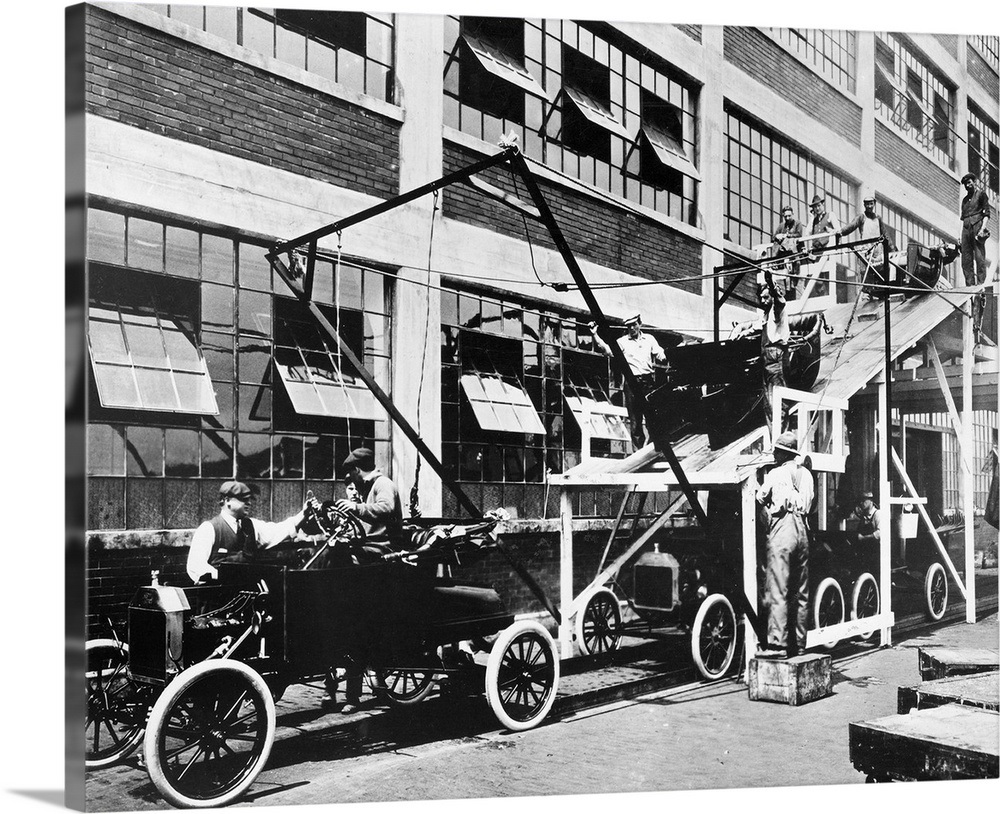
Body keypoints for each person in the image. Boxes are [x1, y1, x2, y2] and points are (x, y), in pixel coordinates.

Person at [755, 431, 814, 658]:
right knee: (801, 592)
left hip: (783, 529)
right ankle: (799, 645)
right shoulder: (807, 475)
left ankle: (777, 645)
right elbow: (811, 502)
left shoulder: (775, 473)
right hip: (803, 529)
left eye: (776, 452)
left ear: (782, 453)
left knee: (778, 588)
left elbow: (759, 498)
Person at [186, 481, 307, 584]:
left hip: (246, 597)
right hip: (218, 599)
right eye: (243, 499)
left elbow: (277, 531)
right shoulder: (209, 529)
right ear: (227, 500)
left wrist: (303, 515)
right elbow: (195, 565)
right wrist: (223, 575)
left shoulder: (251, 525)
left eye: (249, 499)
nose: (249, 503)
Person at [589, 313, 666, 451]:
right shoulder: (622, 342)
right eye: (629, 326)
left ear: (640, 323)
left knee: (652, 417)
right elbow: (608, 351)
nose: (632, 328)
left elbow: (659, 352)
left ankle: (655, 449)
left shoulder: (649, 339)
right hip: (632, 382)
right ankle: (638, 452)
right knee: (635, 420)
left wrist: (664, 356)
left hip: (648, 382)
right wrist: (595, 335)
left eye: (634, 324)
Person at [336, 446, 404, 558]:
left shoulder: (383, 483)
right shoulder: (368, 488)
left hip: (384, 547)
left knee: (343, 558)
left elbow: (386, 508)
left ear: (357, 470)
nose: (350, 478)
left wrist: (356, 507)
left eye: (350, 472)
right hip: (370, 544)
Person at [837, 193, 895, 291]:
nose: (869, 206)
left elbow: (885, 234)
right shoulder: (861, 217)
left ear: (874, 204)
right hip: (866, 250)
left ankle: (880, 290)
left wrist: (892, 248)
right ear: (864, 205)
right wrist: (842, 232)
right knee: (866, 272)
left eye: (871, 204)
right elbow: (852, 225)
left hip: (877, 250)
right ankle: (867, 292)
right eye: (867, 204)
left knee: (880, 270)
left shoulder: (878, 218)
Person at [758, 270, 789, 433]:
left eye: (766, 297)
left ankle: (781, 442)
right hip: (767, 360)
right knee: (769, 405)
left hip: (775, 358)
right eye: (761, 298)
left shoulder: (777, 311)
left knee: (778, 402)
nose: (763, 301)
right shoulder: (766, 315)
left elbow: (779, 301)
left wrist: (770, 282)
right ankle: (774, 444)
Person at [959, 171, 991, 288]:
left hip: (977, 227)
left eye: (969, 182)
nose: (968, 186)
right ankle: (970, 286)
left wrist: (982, 229)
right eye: (965, 184)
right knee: (966, 260)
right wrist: (959, 235)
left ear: (974, 182)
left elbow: (987, 213)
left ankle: (981, 285)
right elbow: (962, 219)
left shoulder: (981, 195)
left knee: (979, 258)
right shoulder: (964, 200)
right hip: (966, 229)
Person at [772, 204, 805, 298]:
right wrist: (778, 236)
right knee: (785, 276)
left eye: (789, 216)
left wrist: (787, 236)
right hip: (784, 255)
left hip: (794, 254)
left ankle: (793, 292)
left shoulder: (797, 223)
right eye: (785, 216)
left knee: (793, 274)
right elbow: (773, 237)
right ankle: (788, 293)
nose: (787, 218)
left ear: (792, 214)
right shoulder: (781, 226)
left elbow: (799, 234)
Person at [805, 193, 840, 260]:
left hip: (827, 249)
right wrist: (812, 218)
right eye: (815, 207)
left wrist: (830, 231)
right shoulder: (813, 220)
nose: (817, 208)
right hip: (816, 251)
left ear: (823, 204)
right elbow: (807, 234)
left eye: (819, 205)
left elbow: (838, 229)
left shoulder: (830, 215)